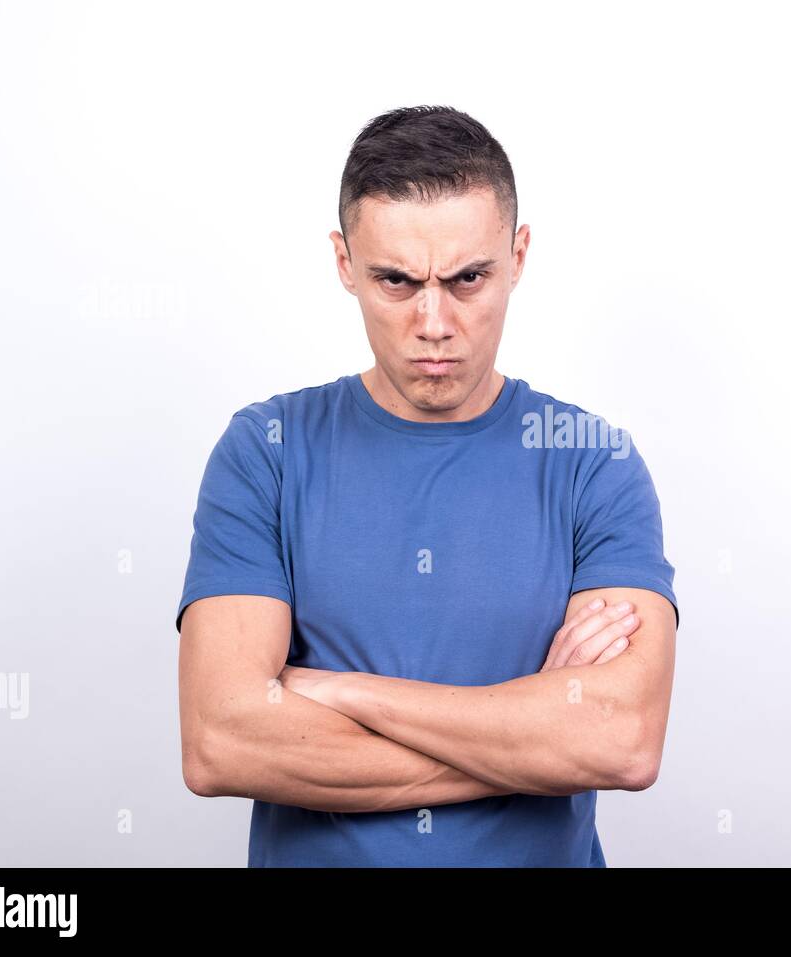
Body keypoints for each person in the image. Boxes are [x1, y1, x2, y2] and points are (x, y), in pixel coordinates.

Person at [175, 105, 678, 867]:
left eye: (469, 277)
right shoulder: (266, 452)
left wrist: (339, 692)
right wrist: (524, 735)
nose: (434, 321)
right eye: (396, 281)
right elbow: (221, 742)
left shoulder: (591, 461)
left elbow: (622, 739)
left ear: (519, 254)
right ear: (345, 262)